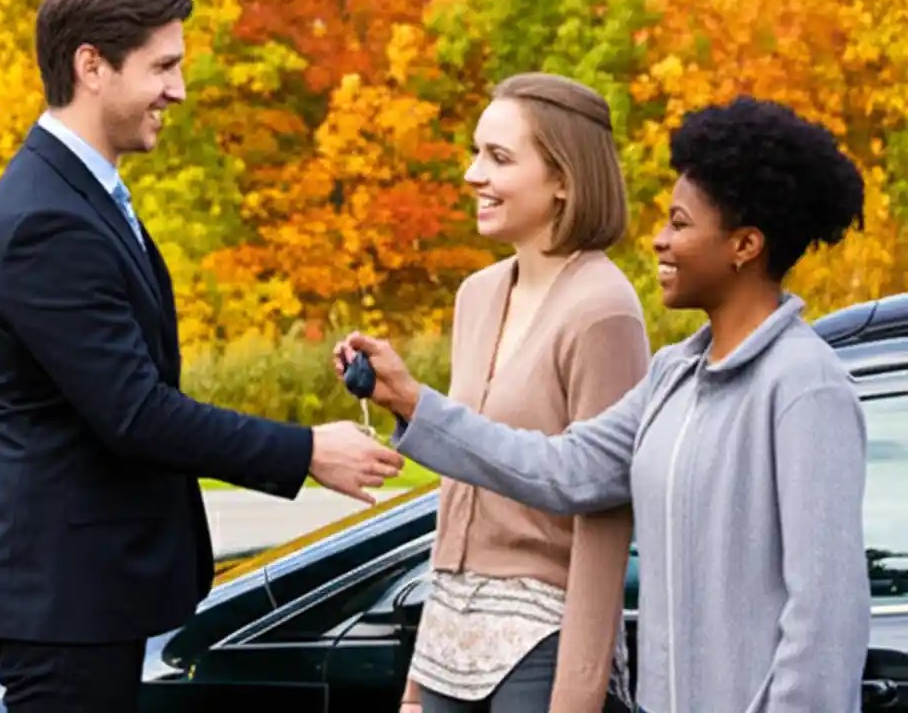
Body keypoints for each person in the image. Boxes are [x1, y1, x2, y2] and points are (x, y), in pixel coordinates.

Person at [0, 0, 404, 710]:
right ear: (91, 65)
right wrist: (305, 450)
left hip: (83, 594)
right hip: (65, 597)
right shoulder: (46, 219)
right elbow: (134, 413)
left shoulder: (78, 197)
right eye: (163, 67)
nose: (178, 90)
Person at [337, 95, 869, 713]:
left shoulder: (806, 386)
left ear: (745, 245)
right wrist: (412, 401)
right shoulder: (674, 376)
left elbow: (825, 617)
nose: (659, 240)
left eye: (680, 222)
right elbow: (561, 470)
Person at [365, 73, 649, 713]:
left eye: (498, 157)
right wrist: (416, 685)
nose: (471, 174)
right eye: (475, 152)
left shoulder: (605, 309)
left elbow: (604, 511)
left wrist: (576, 694)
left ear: (564, 180)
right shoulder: (477, 295)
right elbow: (456, 503)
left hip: (543, 640)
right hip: (450, 636)